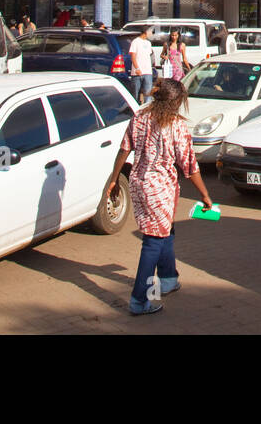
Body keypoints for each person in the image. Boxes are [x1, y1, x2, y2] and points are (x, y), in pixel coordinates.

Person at [100, 78, 214, 315]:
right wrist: (205, 194)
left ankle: (169, 277)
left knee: (164, 230)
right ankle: (139, 299)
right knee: (153, 240)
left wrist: (113, 178)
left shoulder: (139, 118)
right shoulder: (175, 126)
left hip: (139, 183)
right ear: (176, 103)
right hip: (160, 187)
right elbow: (189, 165)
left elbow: (124, 148)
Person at [128, 26, 154, 102]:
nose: (151, 33)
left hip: (148, 72)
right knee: (135, 94)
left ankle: (146, 111)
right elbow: (133, 56)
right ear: (145, 32)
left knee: (148, 94)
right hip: (137, 73)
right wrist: (137, 68)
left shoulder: (148, 43)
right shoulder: (135, 42)